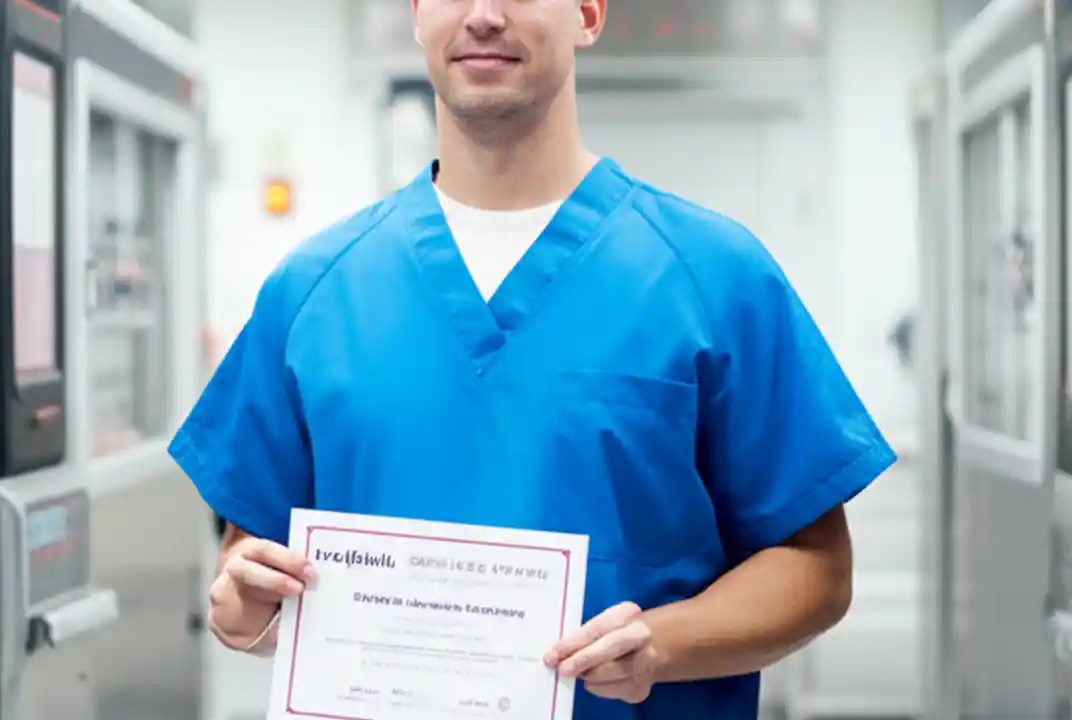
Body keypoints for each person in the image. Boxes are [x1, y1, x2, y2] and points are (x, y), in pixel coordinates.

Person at [168, 0, 896, 717]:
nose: (484, 15)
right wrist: (247, 609)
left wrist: (663, 644)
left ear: (588, 13)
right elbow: (250, 557)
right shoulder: (314, 291)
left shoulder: (711, 274)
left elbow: (816, 567)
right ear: (417, 14)